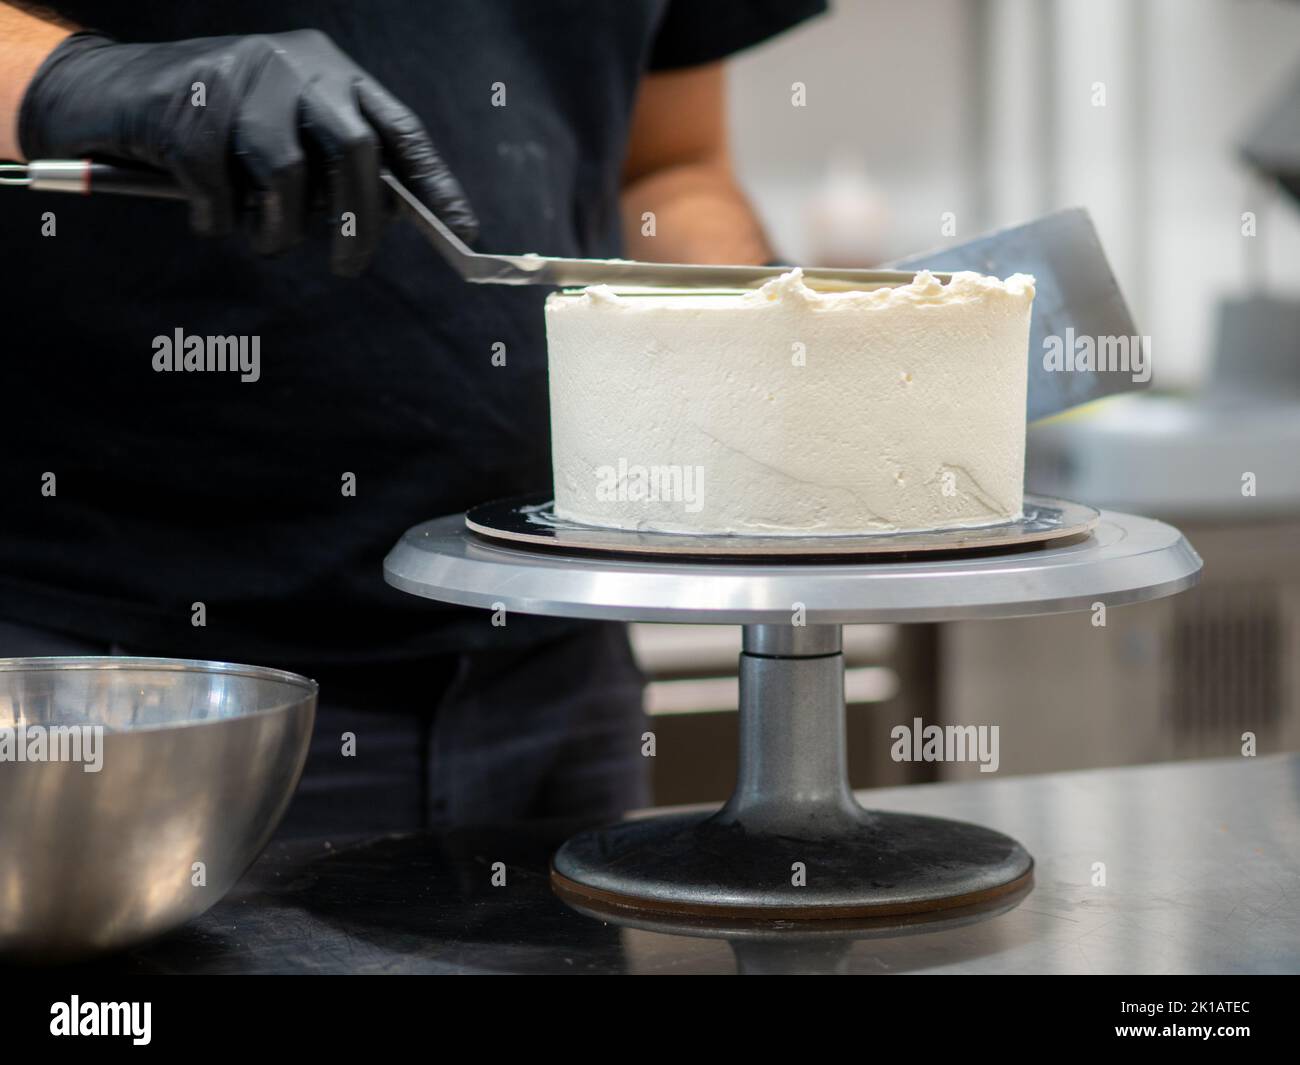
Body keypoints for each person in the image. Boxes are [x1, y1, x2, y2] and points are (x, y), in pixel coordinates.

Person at [0, 1, 826, 836]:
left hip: (557, 664)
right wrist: (75, 78)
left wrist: (781, 330)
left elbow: (669, 167)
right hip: (140, 679)